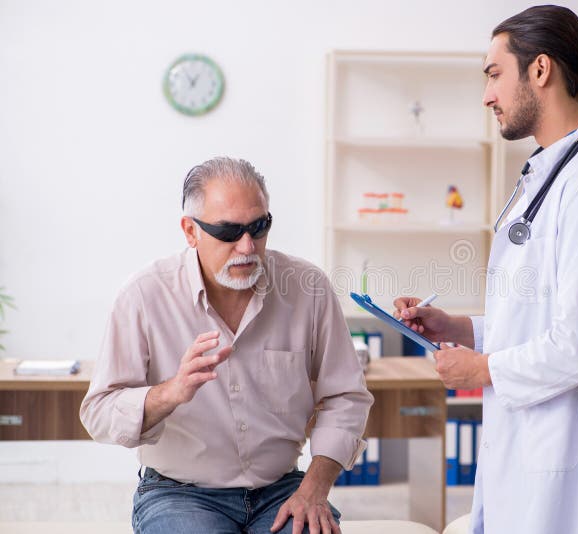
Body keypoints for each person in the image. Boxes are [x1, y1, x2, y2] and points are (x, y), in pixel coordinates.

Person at [394, 5, 578, 533]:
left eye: (495, 74)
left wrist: (483, 370)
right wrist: (463, 330)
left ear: (540, 70)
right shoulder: (557, 171)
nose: (487, 95)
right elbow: (544, 314)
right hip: (541, 436)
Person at [80, 157, 373, 534]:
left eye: (259, 226)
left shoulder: (308, 288)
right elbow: (99, 412)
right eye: (229, 231)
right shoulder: (143, 295)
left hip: (281, 489)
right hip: (180, 494)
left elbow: (346, 396)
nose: (247, 246)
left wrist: (314, 489)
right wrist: (171, 392)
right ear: (190, 231)